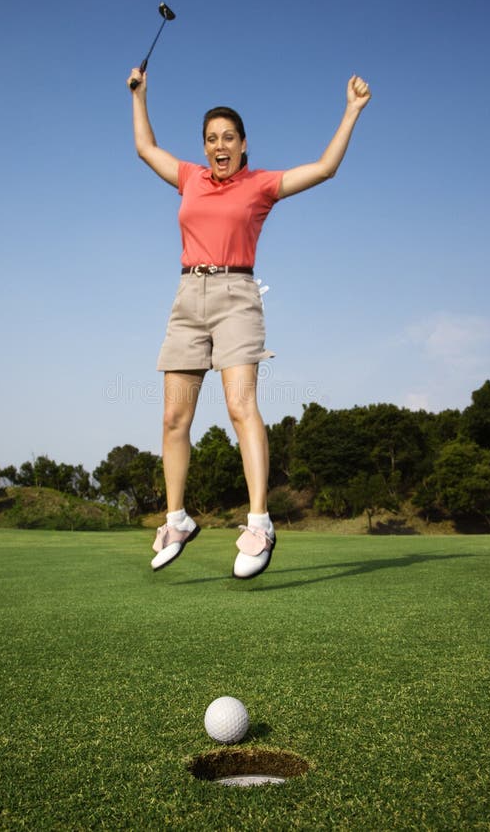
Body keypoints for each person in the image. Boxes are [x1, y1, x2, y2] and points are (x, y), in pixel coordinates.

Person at [127, 66, 371, 579]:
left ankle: (260, 522)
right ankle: (177, 521)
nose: (220, 145)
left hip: (237, 295)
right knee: (174, 417)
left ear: (242, 145)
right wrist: (141, 95)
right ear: (205, 146)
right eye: (211, 138)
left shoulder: (260, 185)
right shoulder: (190, 177)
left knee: (241, 406)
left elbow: (325, 168)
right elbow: (147, 149)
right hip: (187, 296)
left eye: (228, 138)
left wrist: (350, 112)